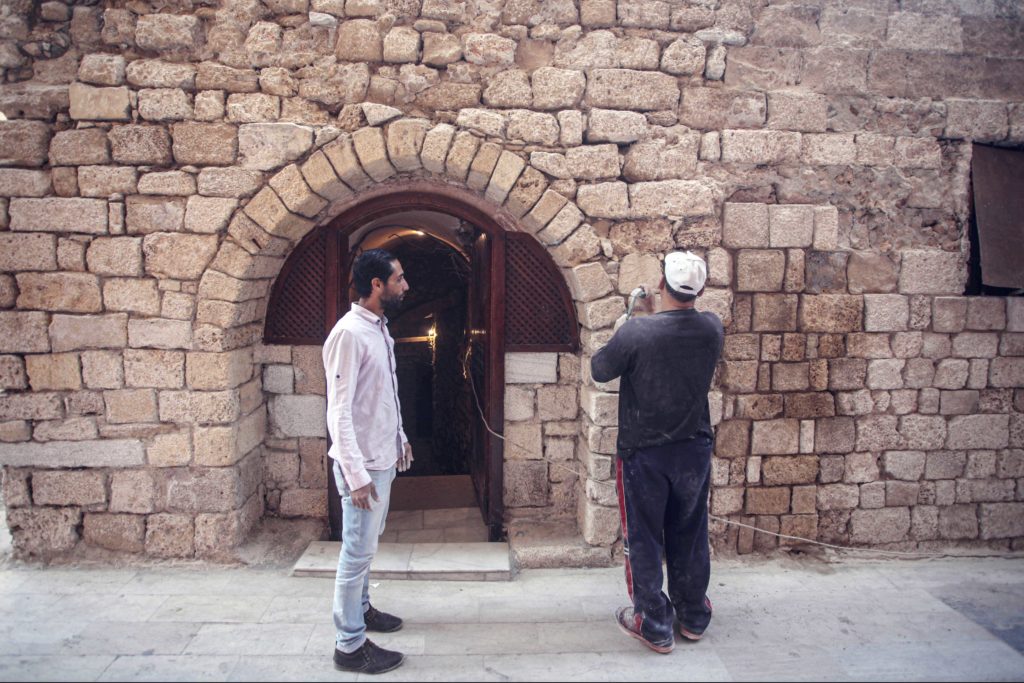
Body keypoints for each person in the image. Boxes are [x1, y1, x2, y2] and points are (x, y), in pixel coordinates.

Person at [590, 250, 724, 654]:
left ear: (662, 284)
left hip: (644, 452)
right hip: (693, 448)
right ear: (699, 290)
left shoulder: (637, 333)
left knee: (644, 538)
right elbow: (678, 332)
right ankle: (693, 615)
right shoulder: (712, 328)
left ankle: (652, 622)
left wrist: (634, 317)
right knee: (690, 530)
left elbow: (600, 368)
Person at [323, 248, 415, 674]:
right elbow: (338, 411)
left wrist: (399, 440)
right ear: (376, 285)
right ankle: (349, 644)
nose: (405, 285)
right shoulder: (348, 334)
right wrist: (356, 475)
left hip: (381, 457)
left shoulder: (378, 328)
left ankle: (362, 609)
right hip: (362, 466)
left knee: (368, 545)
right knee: (355, 554)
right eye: (398, 279)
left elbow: (380, 396)